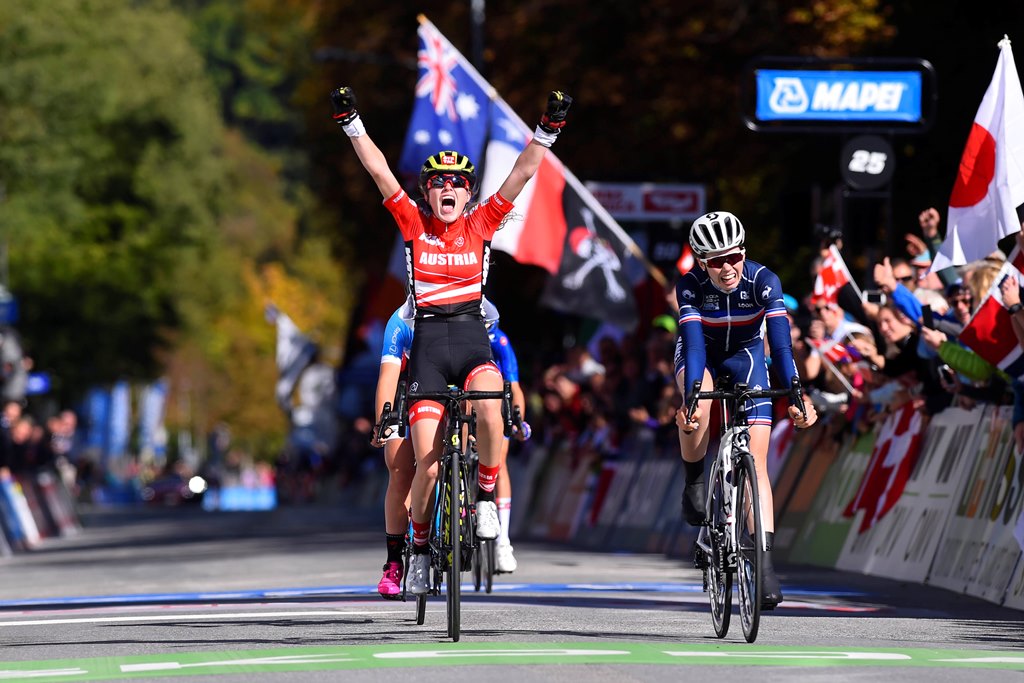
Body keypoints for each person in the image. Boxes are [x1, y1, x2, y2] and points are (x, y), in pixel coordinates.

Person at [332, 84, 571, 594]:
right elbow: (379, 171)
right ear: (426, 193)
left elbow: (522, 172)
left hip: (470, 336)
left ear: (468, 194)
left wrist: (548, 129)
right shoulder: (413, 223)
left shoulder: (482, 222)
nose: (448, 188)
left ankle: (485, 499)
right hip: (428, 345)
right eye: (438, 182)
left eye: (457, 183)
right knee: (427, 466)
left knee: (490, 406)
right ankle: (418, 551)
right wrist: (352, 123)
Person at [673, 211, 817, 610]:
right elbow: (694, 345)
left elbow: (781, 345)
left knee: (757, 460)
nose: (728, 268)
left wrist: (797, 394)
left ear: (744, 253)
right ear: (701, 262)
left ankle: (765, 566)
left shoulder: (763, 280)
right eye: (716, 261)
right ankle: (694, 481)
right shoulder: (689, 286)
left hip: (747, 356)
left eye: (734, 257)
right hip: (701, 354)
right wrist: (691, 399)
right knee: (700, 403)